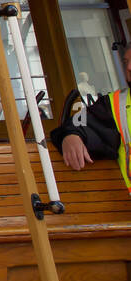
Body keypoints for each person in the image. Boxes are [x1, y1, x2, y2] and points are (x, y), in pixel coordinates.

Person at [51, 45, 131, 186]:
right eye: (126, 62)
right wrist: (71, 135)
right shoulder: (115, 103)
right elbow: (79, 123)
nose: (129, 67)